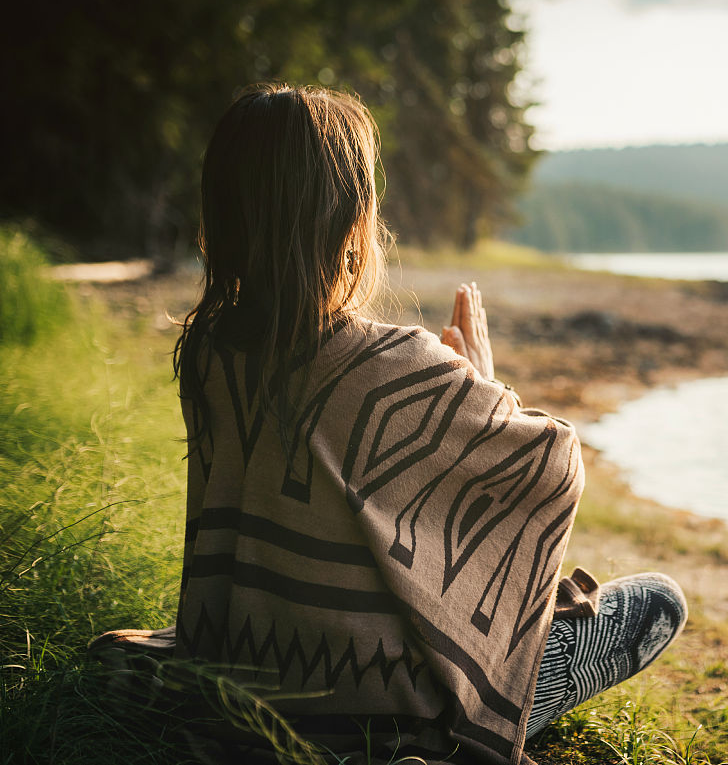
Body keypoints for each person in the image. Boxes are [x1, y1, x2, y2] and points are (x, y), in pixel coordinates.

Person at [150, 83, 687, 764]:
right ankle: (501, 702)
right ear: (348, 223)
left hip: (240, 686)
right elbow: (553, 468)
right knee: (656, 600)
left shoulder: (207, 354)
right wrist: (486, 385)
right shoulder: (395, 365)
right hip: (394, 713)